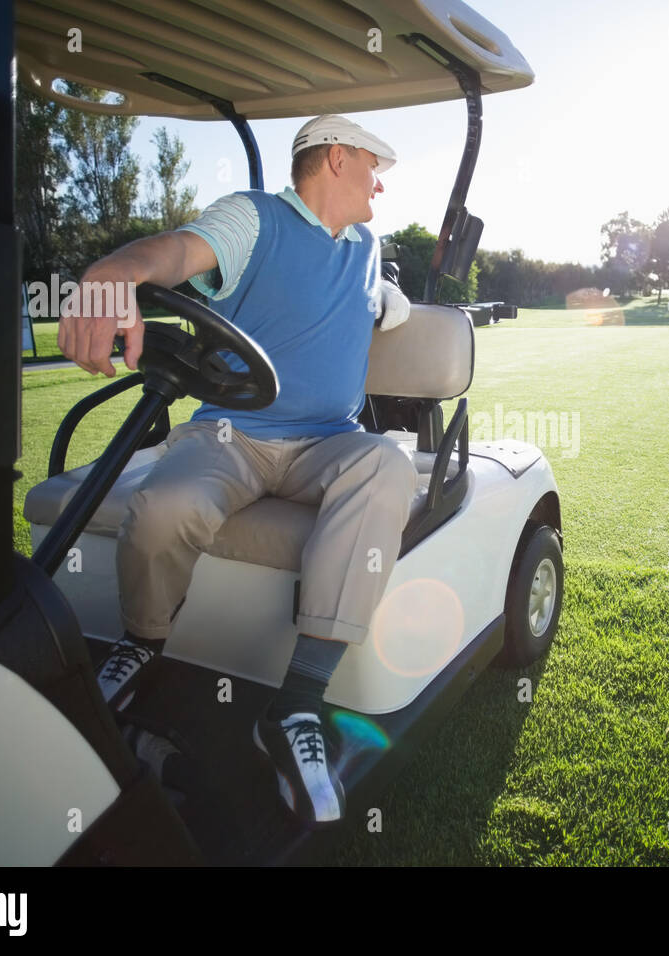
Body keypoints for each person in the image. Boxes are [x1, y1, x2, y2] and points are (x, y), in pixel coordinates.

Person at [57, 115, 417, 826]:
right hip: (233, 432)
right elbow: (178, 250)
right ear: (337, 159)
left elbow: (376, 301)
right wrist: (119, 271)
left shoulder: (367, 246)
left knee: (386, 462)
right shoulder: (253, 219)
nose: (383, 182)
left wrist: (393, 304)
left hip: (327, 443)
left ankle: (297, 705)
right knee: (163, 506)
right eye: (376, 166)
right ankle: (142, 639)